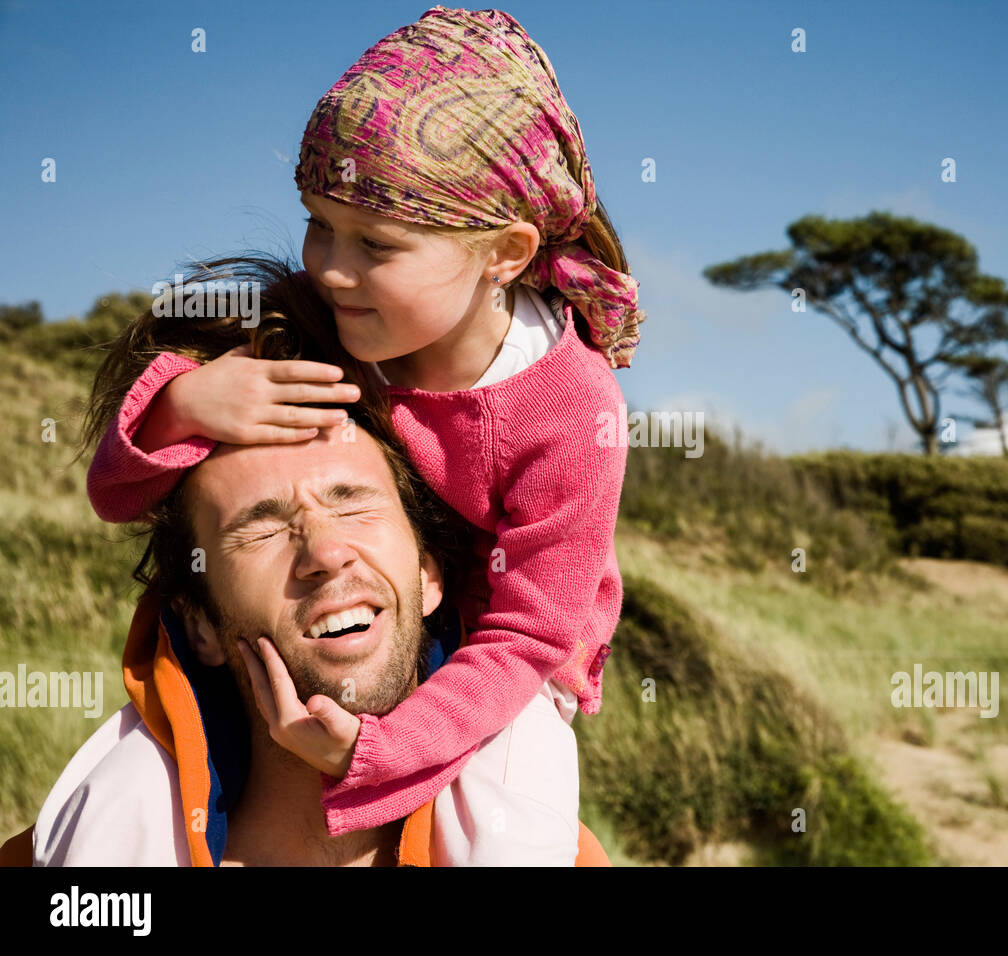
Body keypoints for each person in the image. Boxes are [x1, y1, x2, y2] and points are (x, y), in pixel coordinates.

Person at [82, 6, 645, 861]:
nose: (330, 266)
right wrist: (184, 406)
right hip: (375, 617)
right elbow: (115, 494)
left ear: (504, 251)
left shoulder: (575, 408)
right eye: (317, 221)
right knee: (120, 794)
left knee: (507, 828)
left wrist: (383, 753)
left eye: (375, 243)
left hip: (511, 654)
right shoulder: (342, 324)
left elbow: (532, 633)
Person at [0, 261, 607, 865]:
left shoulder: (545, 850)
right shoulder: (75, 854)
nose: (326, 553)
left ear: (431, 574)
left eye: (354, 507)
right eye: (261, 527)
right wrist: (177, 407)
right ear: (198, 623)